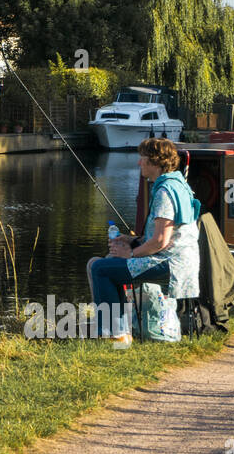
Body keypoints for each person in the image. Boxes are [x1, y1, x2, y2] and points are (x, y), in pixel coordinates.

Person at [86, 137, 201, 344]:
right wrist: (133, 240)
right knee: (106, 265)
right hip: (181, 260)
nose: (139, 163)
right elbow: (167, 234)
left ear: (155, 162)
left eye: (143, 158)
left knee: (101, 269)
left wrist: (130, 254)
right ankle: (121, 328)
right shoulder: (177, 183)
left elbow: (160, 241)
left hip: (169, 264)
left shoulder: (165, 192)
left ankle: (116, 335)